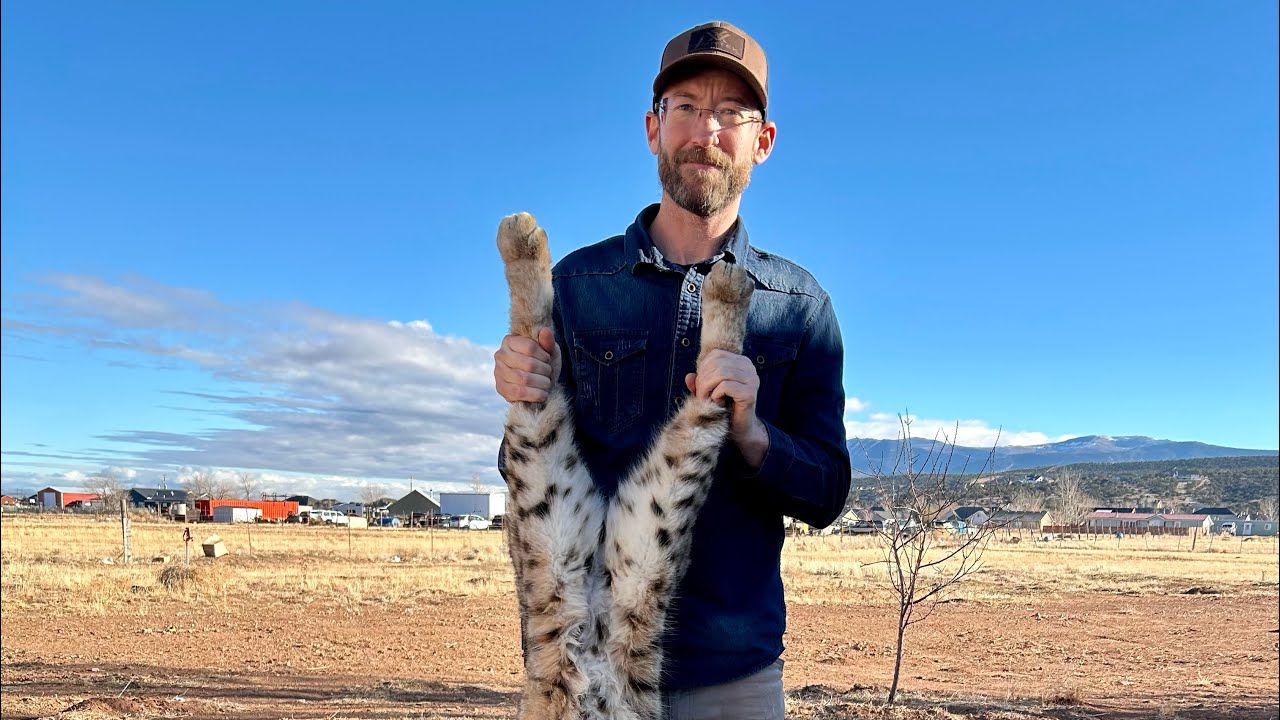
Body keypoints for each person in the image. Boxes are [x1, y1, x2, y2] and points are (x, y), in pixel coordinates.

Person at [493, 20, 850, 719]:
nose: (704, 132)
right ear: (653, 128)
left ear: (762, 141)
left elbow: (828, 491)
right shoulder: (579, 283)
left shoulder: (801, 305)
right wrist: (518, 391)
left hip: (732, 679)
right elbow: (527, 475)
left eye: (729, 114)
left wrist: (753, 434)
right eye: (685, 108)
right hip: (585, 667)